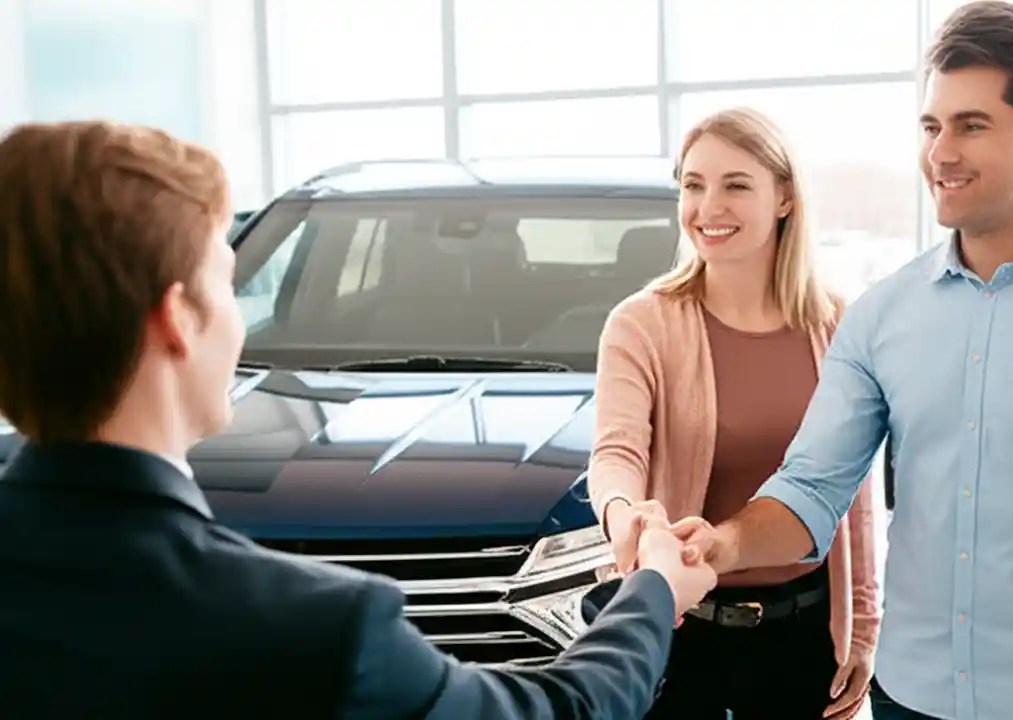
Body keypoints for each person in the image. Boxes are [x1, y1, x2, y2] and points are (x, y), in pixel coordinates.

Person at [0, 120, 717, 720]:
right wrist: (651, 591)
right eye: (227, 284)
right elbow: (559, 710)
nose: (240, 323)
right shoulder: (320, 626)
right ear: (179, 320)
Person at [661, 3, 1013, 720]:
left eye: (971, 126)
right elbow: (810, 490)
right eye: (932, 127)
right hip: (909, 701)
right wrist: (723, 544)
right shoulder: (881, 316)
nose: (940, 154)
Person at [588, 107, 880, 720]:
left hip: (801, 632)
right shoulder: (640, 325)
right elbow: (616, 454)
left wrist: (862, 627)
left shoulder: (836, 323)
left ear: (785, 198)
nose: (708, 207)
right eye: (693, 185)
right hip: (679, 633)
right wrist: (625, 516)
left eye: (736, 185)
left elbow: (853, 494)